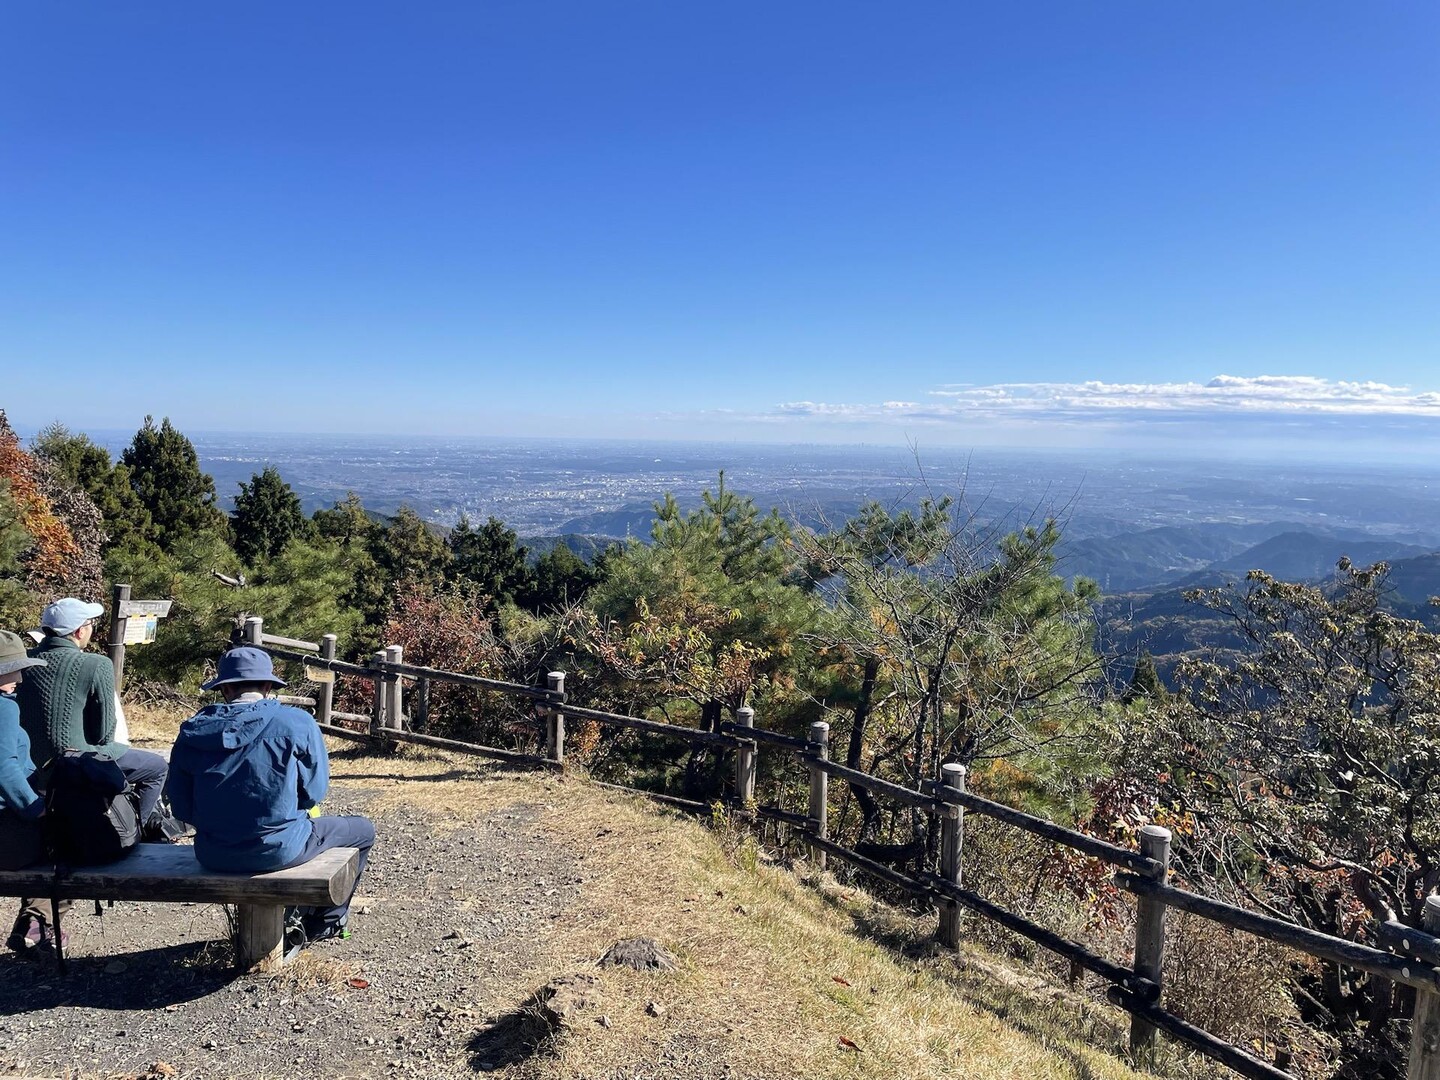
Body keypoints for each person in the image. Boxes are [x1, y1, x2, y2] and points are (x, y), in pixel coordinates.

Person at [166, 647, 374, 946]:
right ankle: (327, 921)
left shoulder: (193, 731)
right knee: (363, 830)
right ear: (267, 686)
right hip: (280, 848)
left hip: (213, 853)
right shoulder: (296, 722)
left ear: (224, 688)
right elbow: (313, 794)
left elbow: (182, 808)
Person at [17, 598, 168, 828]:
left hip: (31, 766)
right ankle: (138, 832)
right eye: (90, 624)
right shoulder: (96, 664)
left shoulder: (22, 661)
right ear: (79, 631)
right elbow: (104, 733)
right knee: (156, 767)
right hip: (76, 765)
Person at [0, 630, 68, 956]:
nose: (22, 677)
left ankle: (32, 923)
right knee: (70, 846)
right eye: (15, 668)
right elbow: (3, 768)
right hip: (6, 832)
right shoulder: (3, 708)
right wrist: (34, 807)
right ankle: (39, 923)